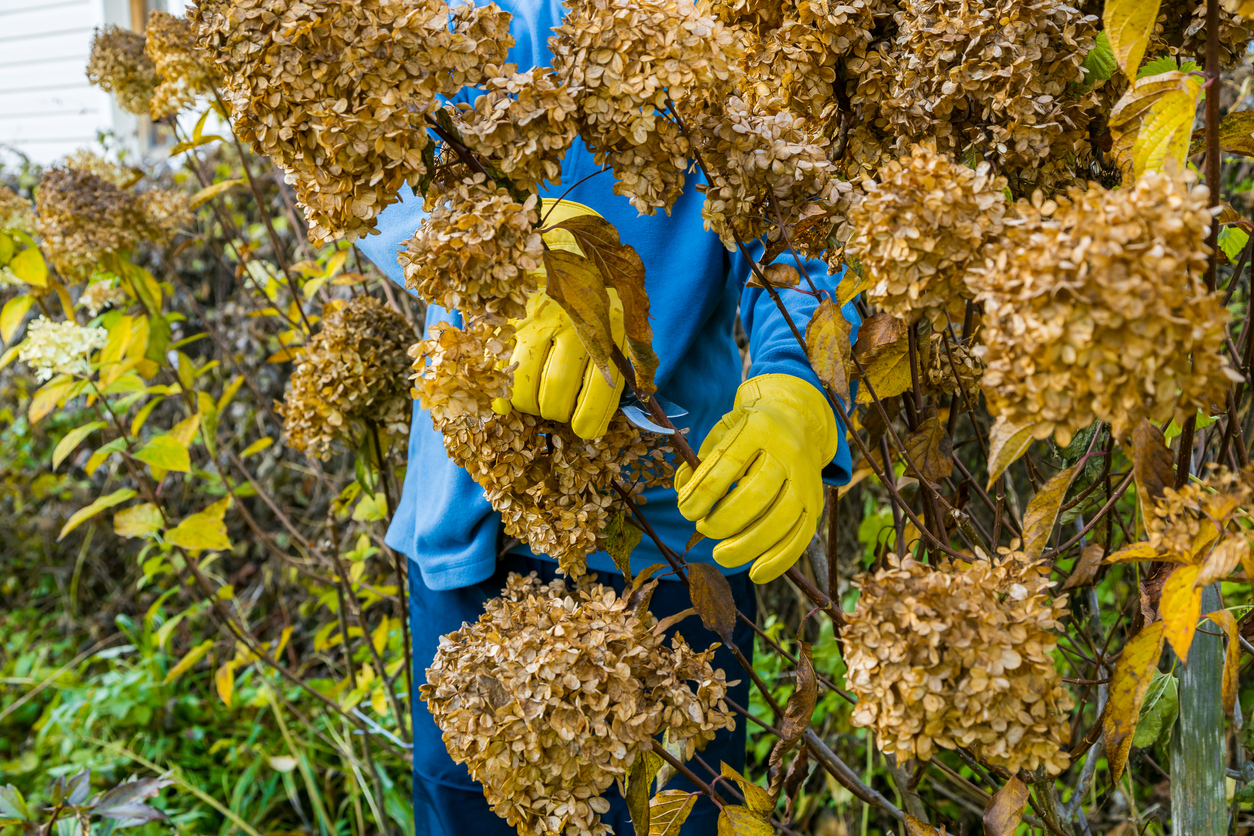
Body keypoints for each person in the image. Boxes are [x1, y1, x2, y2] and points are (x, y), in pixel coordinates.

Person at [356, 3, 861, 834]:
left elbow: (811, 234)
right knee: (472, 804)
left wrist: (797, 397)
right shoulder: (491, 15)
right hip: (474, 530)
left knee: (676, 811)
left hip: (673, 541)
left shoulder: (751, 31)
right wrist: (510, 274)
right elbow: (378, 156)